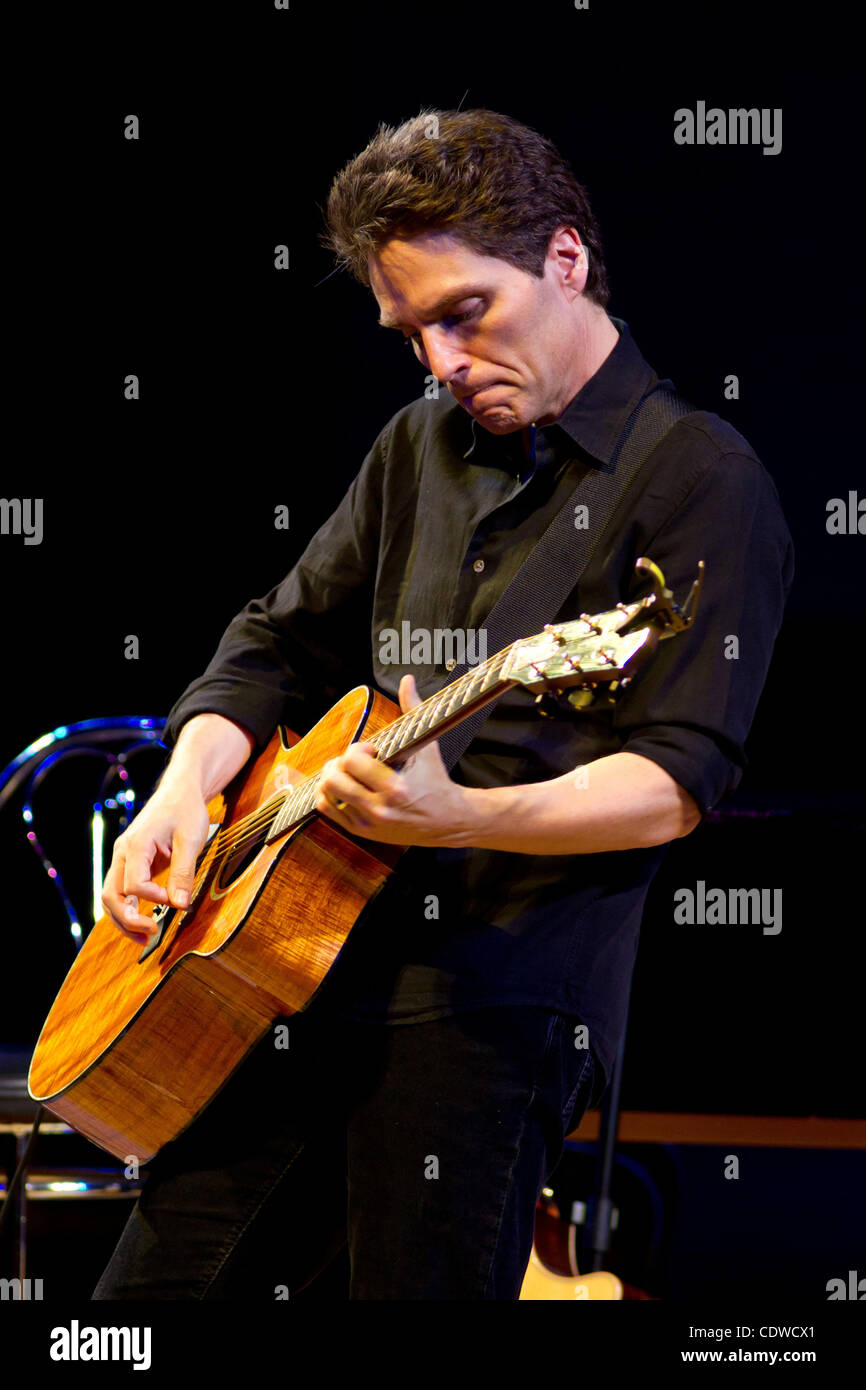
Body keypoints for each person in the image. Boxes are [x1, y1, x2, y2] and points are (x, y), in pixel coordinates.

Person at [93, 109, 794, 1300]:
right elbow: (273, 639)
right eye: (408, 331)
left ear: (562, 260)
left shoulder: (699, 480)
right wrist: (184, 785)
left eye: (463, 313)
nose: (441, 362)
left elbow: (671, 785)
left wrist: (452, 817)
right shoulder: (417, 444)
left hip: (487, 1004)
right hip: (287, 970)